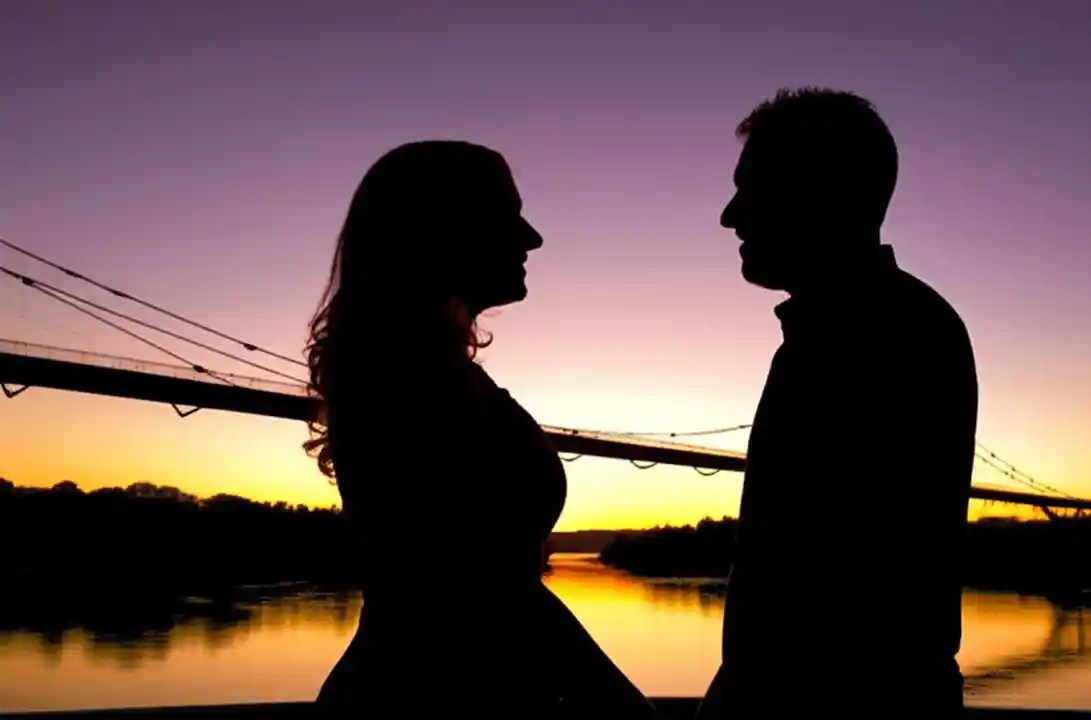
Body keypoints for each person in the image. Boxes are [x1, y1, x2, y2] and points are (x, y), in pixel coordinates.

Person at [304, 141, 654, 716]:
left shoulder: (429, 376)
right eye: (507, 215)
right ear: (439, 229)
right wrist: (626, 707)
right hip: (431, 710)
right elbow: (484, 594)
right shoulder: (407, 381)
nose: (532, 238)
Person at [699, 88, 978, 715]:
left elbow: (823, 591)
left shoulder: (883, 336)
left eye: (752, 189)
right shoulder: (871, 326)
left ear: (817, 194)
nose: (729, 215)